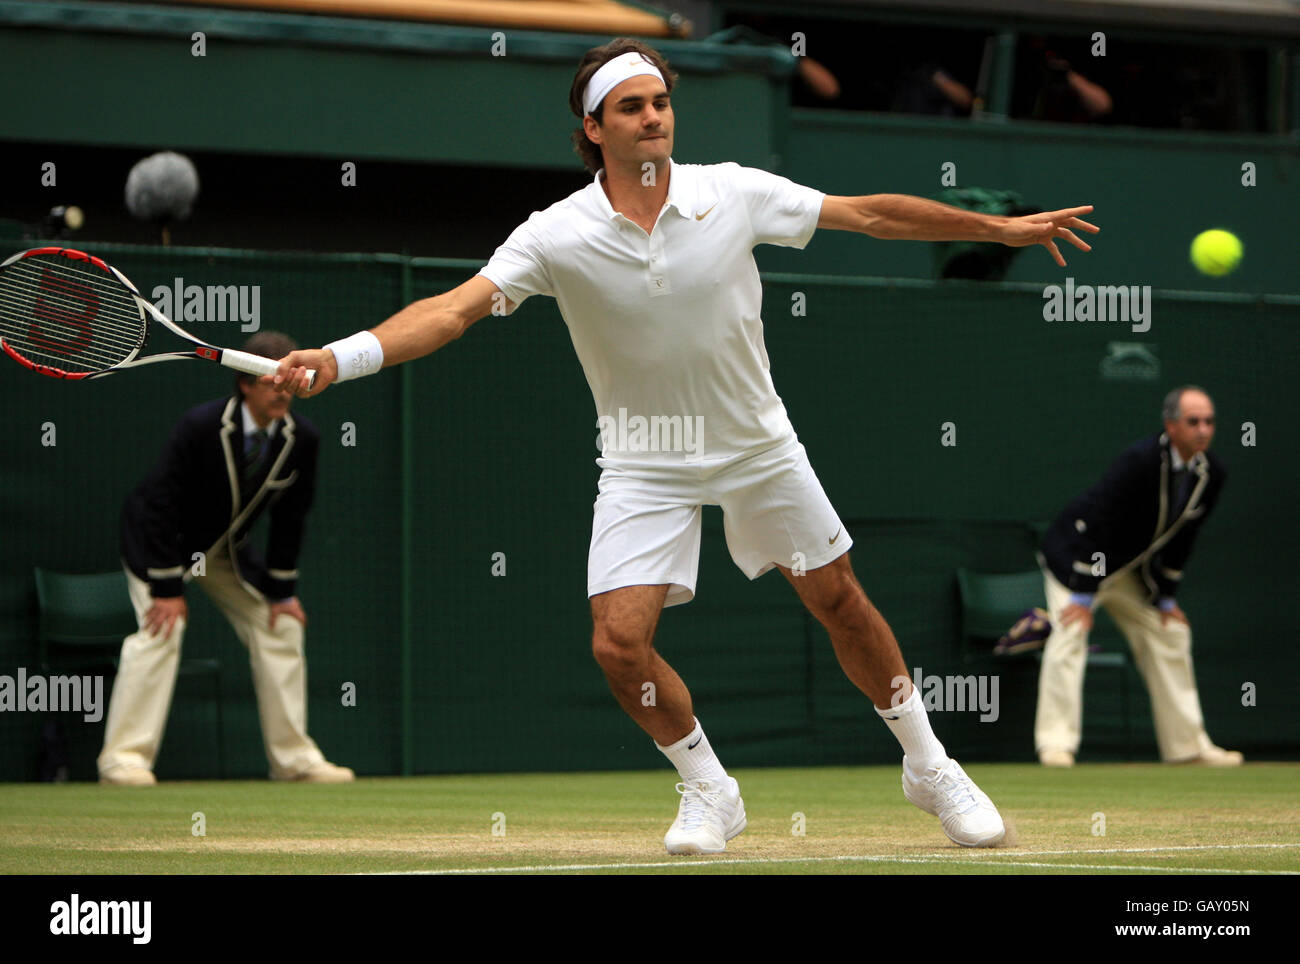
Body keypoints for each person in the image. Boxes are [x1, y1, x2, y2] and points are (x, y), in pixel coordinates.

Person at [270, 38, 1098, 851]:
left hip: (755, 443)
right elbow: (452, 310)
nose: (653, 118)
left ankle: (929, 764)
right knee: (616, 642)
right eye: (631, 107)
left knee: (839, 600)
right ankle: (708, 786)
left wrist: (996, 229)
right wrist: (341, 359)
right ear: (595, 128)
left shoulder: (731, 192)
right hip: (642, 457)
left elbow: (870, 214)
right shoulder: (554, 233)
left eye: (661, 102)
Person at [98, 332, 353, 785]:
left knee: (283, 623)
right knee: (163, 626)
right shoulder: (200, 426)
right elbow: (159, 505)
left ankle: (293, 760)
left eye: (288, 380)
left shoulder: (303, 439)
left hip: (223, 551)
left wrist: (281, 593)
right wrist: (167, 589)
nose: (281, 390)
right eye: (269, 380)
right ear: (245, 384)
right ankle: (123, 760)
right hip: (161, 544)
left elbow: (292, 519)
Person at [1035, 386, 1241, 767]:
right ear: (1171, 425)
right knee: (1071, 631)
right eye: (1193, 421)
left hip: (1129, 570)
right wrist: (1082, 597)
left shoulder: (1212, 474)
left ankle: (1188, 748)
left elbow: (1183, 539)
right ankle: (1056, 745)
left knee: (1171, 632)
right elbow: (1099, 523)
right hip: (1078, 557)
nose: (1203, 429)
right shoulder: (1139, 461)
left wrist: (1165, 599)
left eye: (1209, 421)